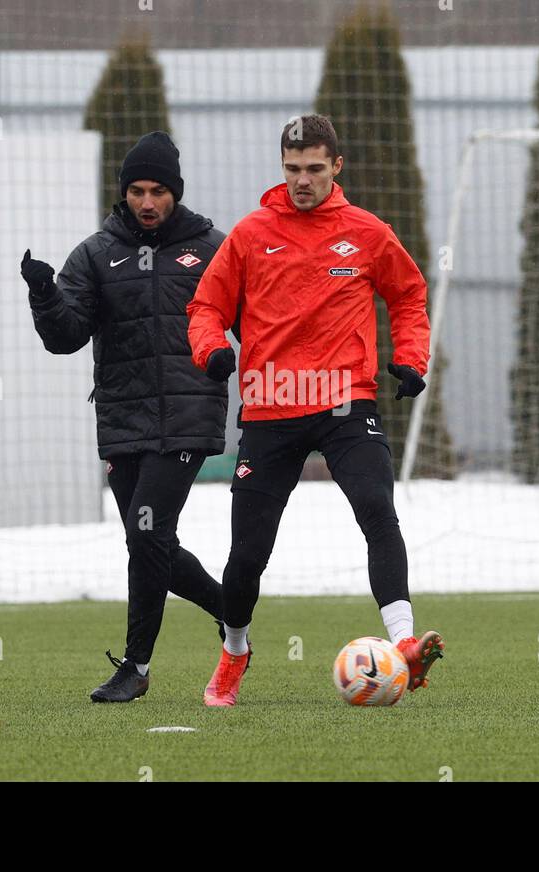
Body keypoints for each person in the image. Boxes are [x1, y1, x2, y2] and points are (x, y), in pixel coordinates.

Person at [186, 114, 443, 707]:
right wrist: (212, 352)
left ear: (336, 167)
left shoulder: (368, 233)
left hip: (346, 400)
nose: (303, 180)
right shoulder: (250, 235)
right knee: (247, 555)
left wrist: (410, 358)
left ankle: (404, 642)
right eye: (293, 169)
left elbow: (408, 295)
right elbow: (206, 306)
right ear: (282, 167)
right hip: (272, 405)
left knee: (378, 509)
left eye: (314, 169)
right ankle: (234, 650)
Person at [22, 131, 232, 702]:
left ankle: (136, 667)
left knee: (146, 533)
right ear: (123, 194)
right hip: (122, 422)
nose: (147, 202)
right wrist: (44, 294)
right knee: (151, 540)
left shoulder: (213, 247)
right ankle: (229, 608)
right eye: (137, 190)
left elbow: (255, 318)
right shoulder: (96, 253)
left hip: (189, 415)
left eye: (158, 191)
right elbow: (65, 337)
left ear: (176, 193)